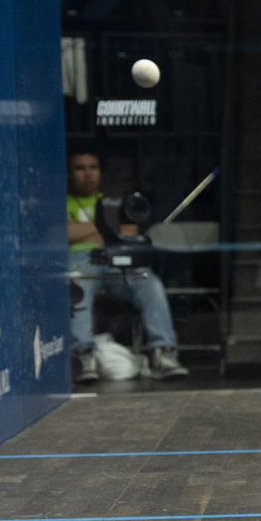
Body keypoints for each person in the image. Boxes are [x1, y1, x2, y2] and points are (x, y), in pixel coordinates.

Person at [66, 147, 188, 382]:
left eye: (93, 168)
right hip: (83, 260)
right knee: (76, 283)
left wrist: (86, 230)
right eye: (80, 168)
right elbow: (64, 233)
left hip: (118, 259)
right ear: (69, 173)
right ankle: (83, 355)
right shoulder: (62, 202)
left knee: (149, 282)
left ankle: (162, 352)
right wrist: (105, 227)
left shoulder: (115, 200)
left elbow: (130, 232)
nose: (88, 174)